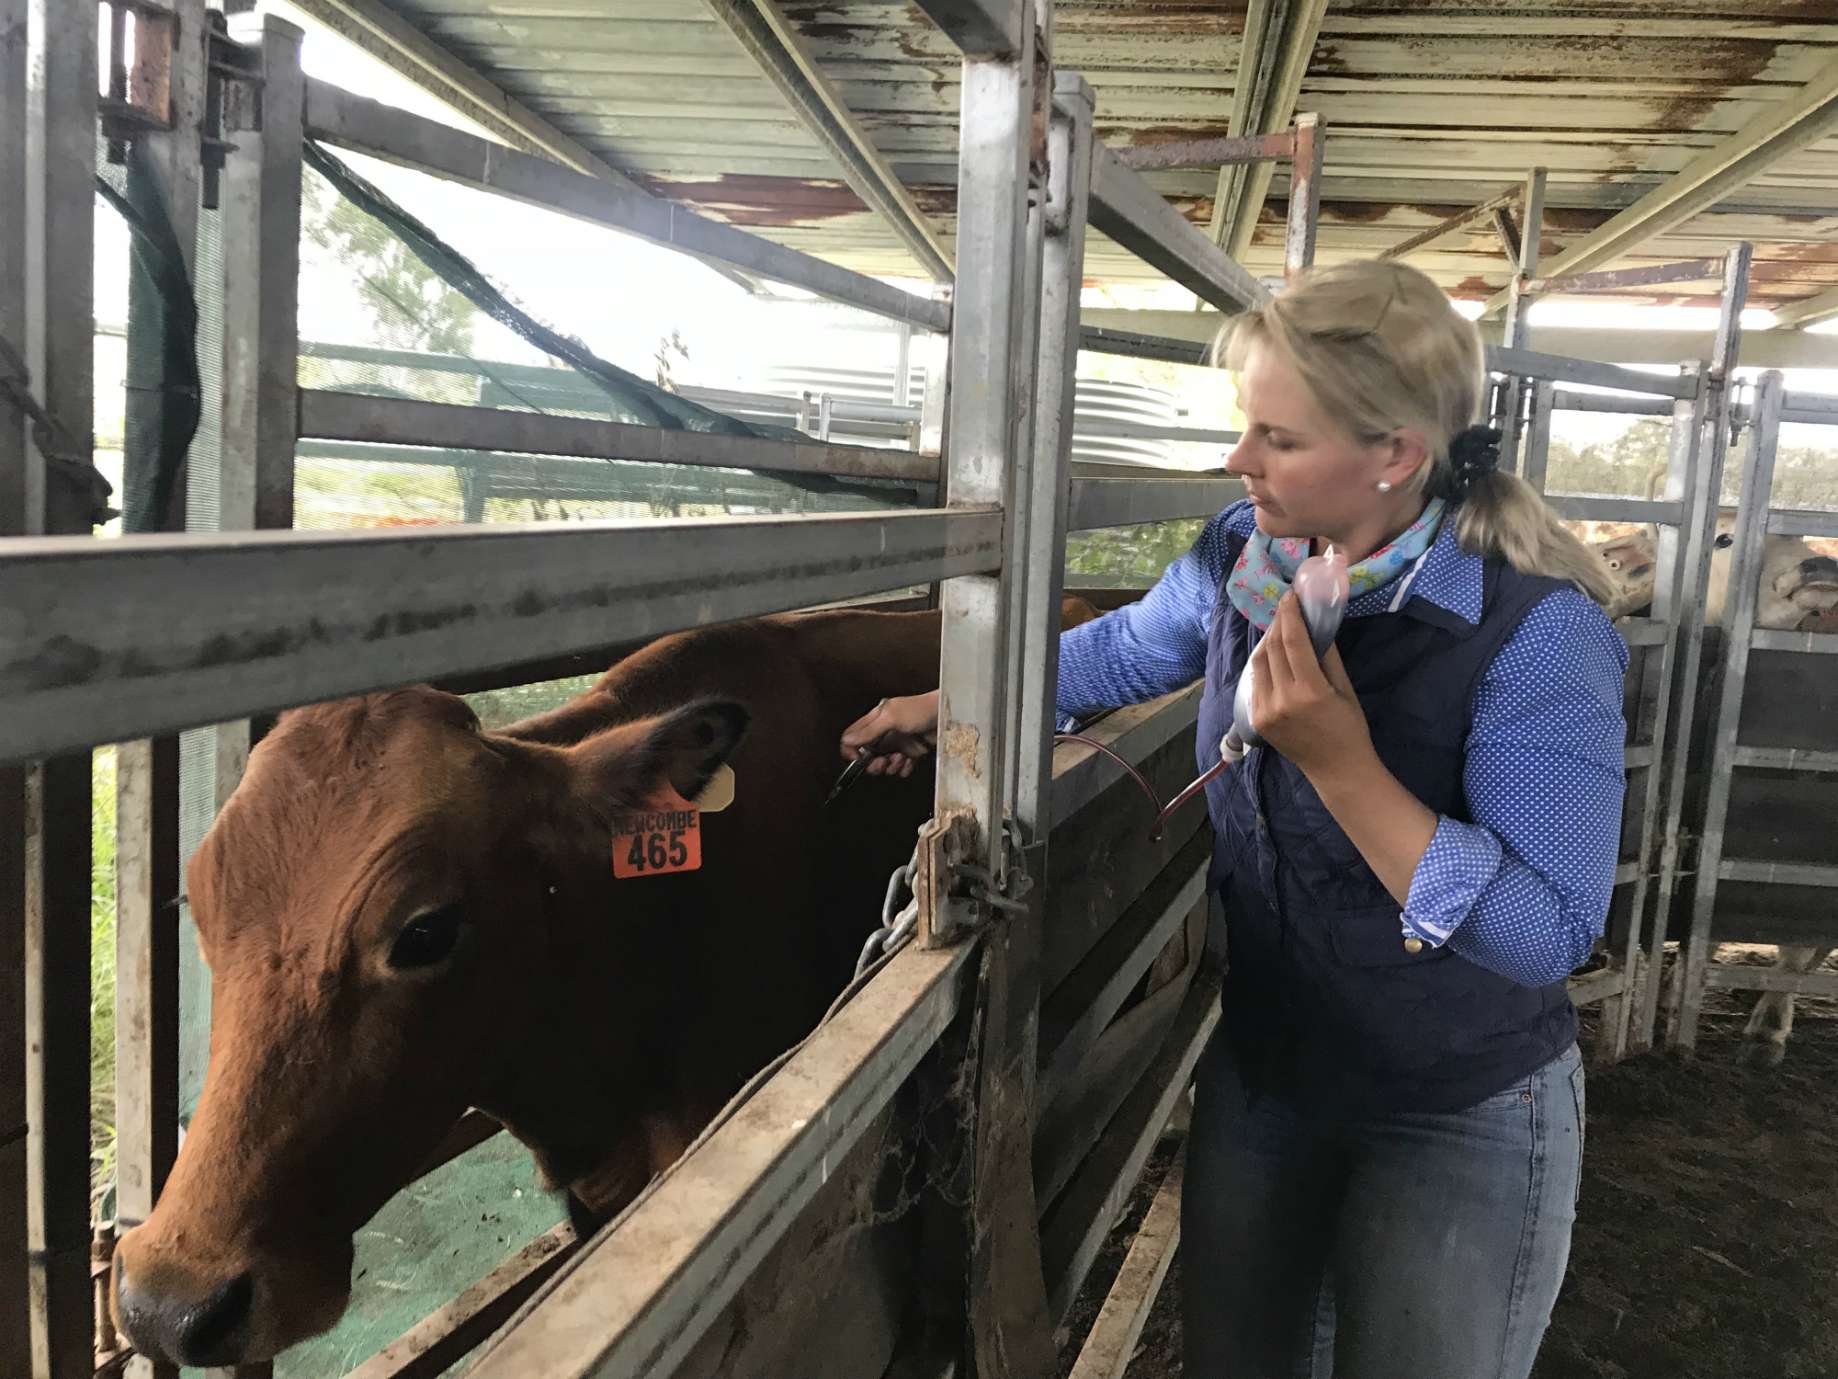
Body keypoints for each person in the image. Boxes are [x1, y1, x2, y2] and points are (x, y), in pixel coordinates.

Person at [839, 259, 1627, 1379]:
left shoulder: (1533, 632)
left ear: (1394, 454)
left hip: (1455, 1101)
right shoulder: (1243, 558)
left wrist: (1342, 764)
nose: (1237, 458)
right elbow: (1123, 651)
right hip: (1269, 1070)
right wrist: (947, 705)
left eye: (1276, 437)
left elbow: (1544, 931)